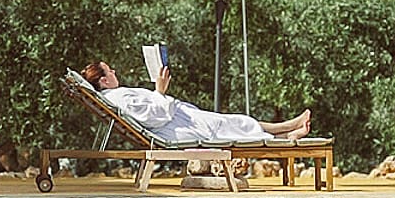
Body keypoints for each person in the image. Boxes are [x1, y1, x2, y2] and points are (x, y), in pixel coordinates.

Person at [81, 61, 311, 142]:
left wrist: (159, 94)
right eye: (109, 71)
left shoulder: (115, 96)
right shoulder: (117, 97)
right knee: (233, 124)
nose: (114, 72)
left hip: (179, 119)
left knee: (233, 123)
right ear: (103, 81)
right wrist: (160, 92)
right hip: (175, 128)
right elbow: (152, 118)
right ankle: (287, 128)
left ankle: (286, 134)